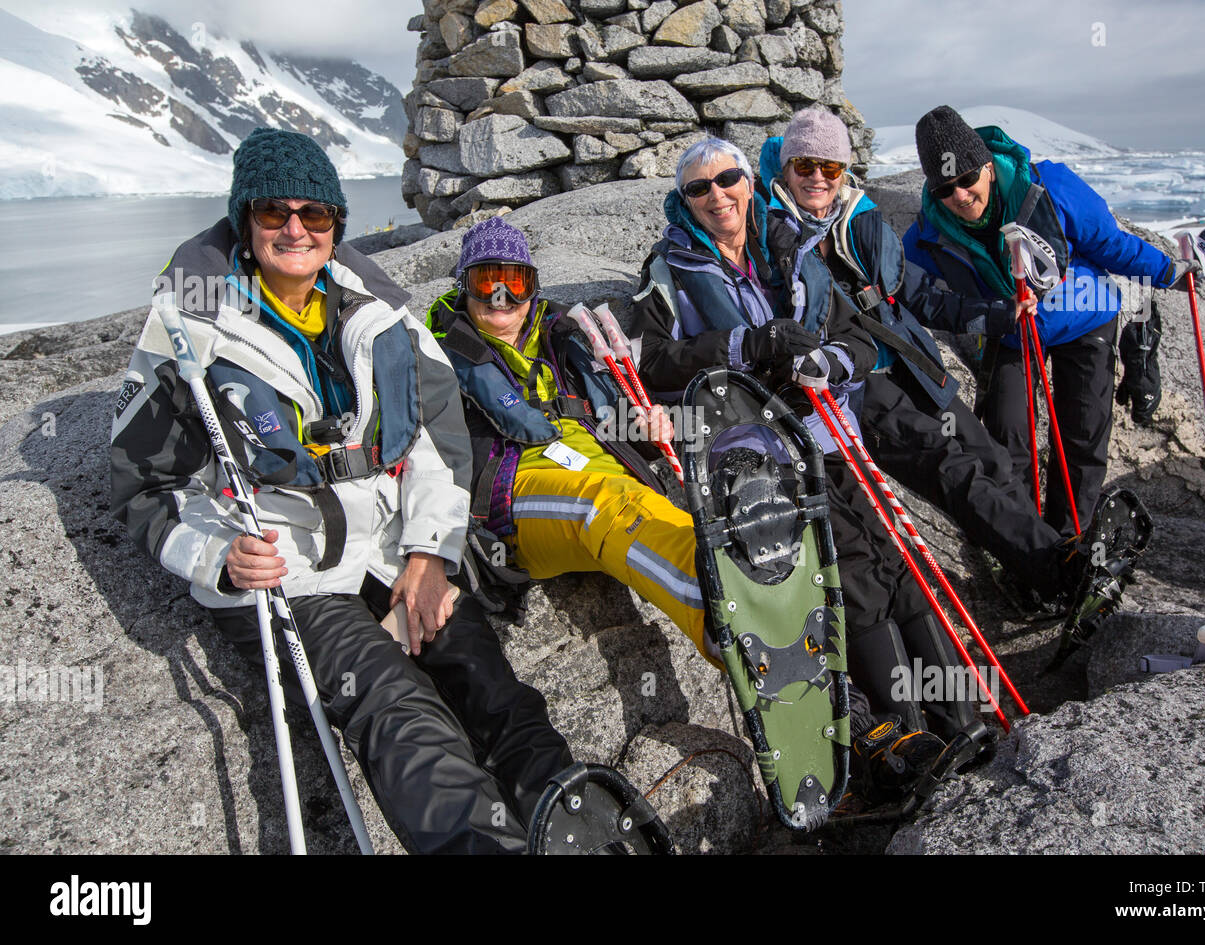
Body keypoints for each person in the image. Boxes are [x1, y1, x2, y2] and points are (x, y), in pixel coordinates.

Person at [110, 128, 574, 854]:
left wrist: (430, 552)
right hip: (290, 567)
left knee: (493, 689)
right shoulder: (190, 325)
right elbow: (144, 480)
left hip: (389, 548)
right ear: (245, 220)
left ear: (336, 224)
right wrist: (218, 555)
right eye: (273, 212)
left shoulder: (376, 310)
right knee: (400, 717)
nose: (295, 229)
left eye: (315, 214)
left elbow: (433, 434)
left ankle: (578, 827)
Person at [631, 136, 984, 743]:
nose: (717, 196)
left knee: (896, 559)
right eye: (699, 188)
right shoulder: (670, 271)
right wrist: (748, 345)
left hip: (831, 429)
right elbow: (653, 362)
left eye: (728, 180)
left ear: (748, 183)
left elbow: (862, 337)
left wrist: (830, 362)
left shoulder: (794, 250)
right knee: (852, 569)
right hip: (758, 452)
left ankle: (959, 717)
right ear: (684, 200)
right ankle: (906, 734)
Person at [755, 107, 1098, 614]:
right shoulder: (769, 236)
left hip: (911, 365)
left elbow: (924, 296)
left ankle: (1030, 566)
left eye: (829, 168)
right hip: (856, 384)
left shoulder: (857, 221)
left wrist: (999, 314)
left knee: (994, 457)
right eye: (804, 166)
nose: (817, 179)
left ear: (844, 172)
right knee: (951, 466)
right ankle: (1057, 570)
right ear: (785, 170)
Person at [424, 217, 718, 666]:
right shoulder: (437, 355)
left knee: (636, 503)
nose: (501, 297)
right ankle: (722, 609)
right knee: (604, 504)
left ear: (533, 287)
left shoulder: (561, 339)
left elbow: (612, 421)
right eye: (486, 282)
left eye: (514, 281)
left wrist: (645, 427)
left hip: (610, 479)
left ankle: (732, 582)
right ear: (464, 288)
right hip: (515, 495)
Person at [903, 105, 1188, 536]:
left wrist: (1166, 272)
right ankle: (1024, 542)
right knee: (1005, 438)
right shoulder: (928, 230)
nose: (960, 196)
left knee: (1082, 434)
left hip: (1084, 319)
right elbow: (901, 281)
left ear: (987, 167)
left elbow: (1108, 242)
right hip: (1012, 331)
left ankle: (1073, 541)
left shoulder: (1046, 186)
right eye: (945, 188)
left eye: (966, 179)